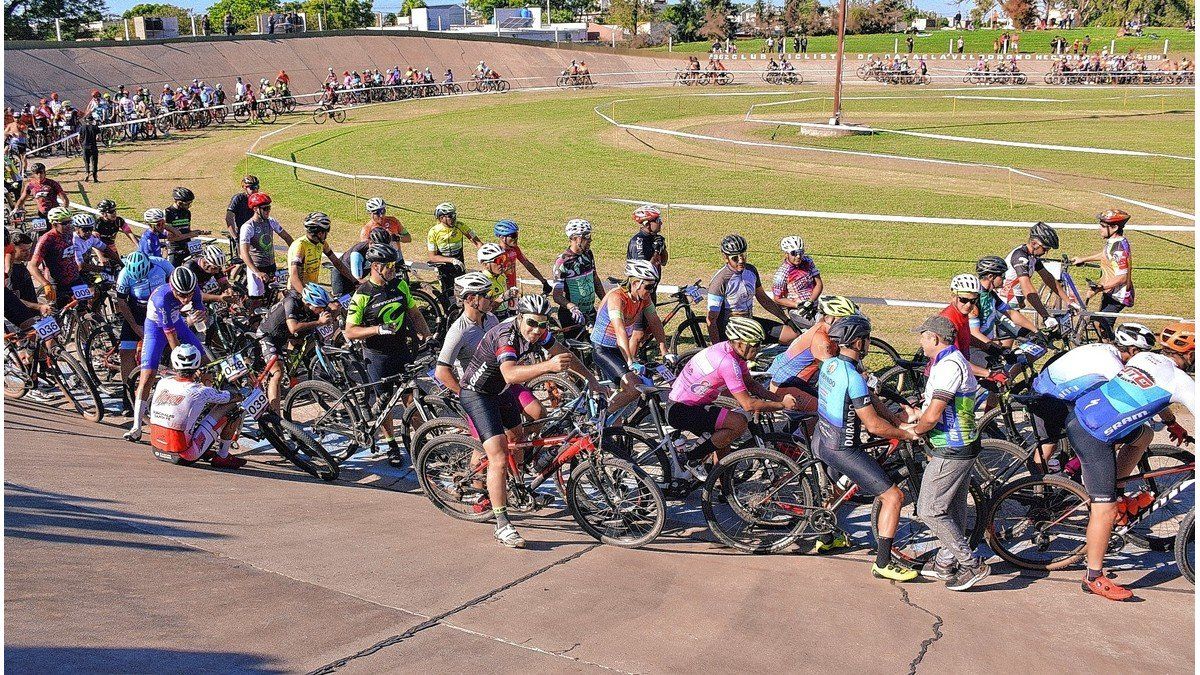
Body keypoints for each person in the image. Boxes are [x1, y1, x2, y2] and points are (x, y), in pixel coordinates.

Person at [457, 294, 606, 548]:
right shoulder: (506, 336)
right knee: (499, 457)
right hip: (477, 394)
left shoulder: (539, 333)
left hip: (501, 391)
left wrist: (592, 381)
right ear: (519, 318)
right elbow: (510, 374)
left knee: (518, 438)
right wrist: (548, 366)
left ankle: (517, 487)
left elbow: (564, 354)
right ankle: (502, 524)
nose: (537, 330)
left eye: (542, 324)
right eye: (532, 323)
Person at [1068, 322, 1194, 600]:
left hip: (1081, 414)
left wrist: (1171, 423)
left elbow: (1156, 394)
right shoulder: (1183, 382)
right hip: (1094, 434)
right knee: (1105, 509)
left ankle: (1117, 489)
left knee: (1144, 435)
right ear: (1190, 354)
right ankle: (1093, 577)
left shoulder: (1144, 357)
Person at [812, 315, 920, 581]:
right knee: (893, 497)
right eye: (867, 338)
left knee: (840, 488)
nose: (869, 342)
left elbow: (869, 398)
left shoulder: (831, 364)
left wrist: (896, 420)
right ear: (858, 342)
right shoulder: (853, 377)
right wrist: (904, 434)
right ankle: (883, 563)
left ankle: (826, 537)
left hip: (822, 439)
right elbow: (873, 426)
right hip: (842, 448)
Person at [907, 315, 990, 590]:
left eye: (923, 336)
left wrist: (917, 429)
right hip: (962, 443)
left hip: (952, 447)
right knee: (954, 507)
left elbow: (934, 414)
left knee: (929, 509)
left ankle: (971, 564)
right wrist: (919, 412)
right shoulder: (951, 360)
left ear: (934, 338)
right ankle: (945, 562)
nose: (920, 341)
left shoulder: (949, 366)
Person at [668, 317, 799, 479]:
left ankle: (720, 482)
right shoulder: (727, 362)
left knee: (725, 439)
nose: (758, 349)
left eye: (760, 344)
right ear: (739, 343)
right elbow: (748, 404)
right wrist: (781, 405)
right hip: (681, 409)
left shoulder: (734, 353)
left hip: (693, 405)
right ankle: (692, 459)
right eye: (755, 344)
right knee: (737, 423)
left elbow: (751, 384)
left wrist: (777, 398)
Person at [1025, 323, 1155, 473]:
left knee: (1049, 444)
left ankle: (1038, 485)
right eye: (1145, 353)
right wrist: (1168, 420)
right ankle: (1074, 468)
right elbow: (1136, 395)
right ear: (1133, 350)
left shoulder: (1103, 348)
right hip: (1051, 400)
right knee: (1112, 432)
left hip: (1040, 393)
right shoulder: (1112, 364)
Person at [344, 243, 432, 465]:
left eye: (394, 264)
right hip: (377, 356)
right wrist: (377, 329)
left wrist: (427, 336)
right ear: (376, 266)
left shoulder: (399, 285)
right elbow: (350, 331)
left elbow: (415, 313)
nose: (393, 268)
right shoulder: (362, 294)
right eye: (389, 265)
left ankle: (423, 443)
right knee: (385, 403)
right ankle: (391, 443)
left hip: (401, 350)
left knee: (411, 399)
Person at [124, 267, 207, 442]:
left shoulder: (193, 288)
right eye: (181, 295)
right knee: (148, 375)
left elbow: (200, 308)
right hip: (156, 328)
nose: (186, 299)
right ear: (172, 287)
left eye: (189, 294)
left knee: (205, 361)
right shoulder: (162, 298)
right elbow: (171, 336)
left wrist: (201, 313)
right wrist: (181, 363)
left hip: (176, 321)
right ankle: (136, 427)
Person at [590, 259, 673, 413]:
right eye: (648, 287)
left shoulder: (643, 298)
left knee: (639, 383)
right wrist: (630, 360)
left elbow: (654, 321)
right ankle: (601, 418)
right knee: (634, 388)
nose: (651, 291)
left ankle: (614, 418)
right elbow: (619, 330)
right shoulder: (617, 298)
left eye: (654, 286)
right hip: (603, 349)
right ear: (635, 283)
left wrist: (665, 352)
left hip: (619, 348)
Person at [147, 344, 245, 469]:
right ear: (197, 364)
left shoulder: (163, 382)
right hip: (184, 455)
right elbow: (234, 397)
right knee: (232, 407)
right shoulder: (200, 391)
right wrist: (207, 382)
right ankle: (223, 456)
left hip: (157, 448)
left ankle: (202, 446)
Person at [766, 294, 858, 411]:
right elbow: (834, 372)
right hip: (785, 384)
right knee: (830, 411)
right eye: (844, 320)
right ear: (830, 318)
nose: (849, 324)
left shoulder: (825, 328)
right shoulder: (821, 339)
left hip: (794, 381)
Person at [259, 283, 336, 413]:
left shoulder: (313, 307)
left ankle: (292, 374)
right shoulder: (291, 302)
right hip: (268, 336)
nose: (322, 310)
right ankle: (275, 416)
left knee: (305, 340)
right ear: (308, 304)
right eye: (319, 308)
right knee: (277, 373)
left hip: (286, 334)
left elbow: (333, 308)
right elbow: (293, 328)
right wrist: (319, 322)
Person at [706, 234, 791, 345]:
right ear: (725, 257)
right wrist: (717, 348)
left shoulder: (751, 270)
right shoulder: (720, 281)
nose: (741, 260)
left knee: (792, 336)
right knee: (752, 351)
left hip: (750, 322)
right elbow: (711, 320)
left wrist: (785, 319)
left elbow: (763, 298)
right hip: (732, 328)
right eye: (735, 258)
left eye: (743, 255)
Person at [1071, 209, 1134, 340]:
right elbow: (1105, 255)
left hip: (1117, 296)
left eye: (1103, 226)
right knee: (1102, 326)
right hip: (1110, 291)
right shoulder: (1114, 242)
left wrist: (1099, 288)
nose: (1100, 228)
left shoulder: (1118, 249)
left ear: (1115, 227)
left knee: (1099, 324)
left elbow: (1122, 277)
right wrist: (1083, 259)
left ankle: (1114, 347)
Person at [435, 272, 502, 395]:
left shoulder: (491, 319)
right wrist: (466, 397)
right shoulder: (459, 331)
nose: (492, 298)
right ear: (471, 299)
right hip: (476, 391)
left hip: (497, 384)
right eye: (487, 294)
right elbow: (441, 372)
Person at [1002, 222, 1072, 331]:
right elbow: (1027, 288)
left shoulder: (1032, 257)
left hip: (1014, 302)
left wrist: (1069, 301)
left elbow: (1048, 278)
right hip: (1005, 303)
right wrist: (1045, 316)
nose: (1046, 252)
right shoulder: (1020, 257)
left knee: (1029, 335)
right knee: (1024, 336)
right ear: (1034, 243)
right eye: (1045, 249)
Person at [942, 274, 1000, 380]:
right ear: (953, 296)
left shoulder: (962, 314)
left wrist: (990, 347)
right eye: (964, 300)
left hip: (960, 374)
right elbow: (956, 361)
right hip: (947, 378)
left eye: (973, 300)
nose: (968, 305)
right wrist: (988, 374)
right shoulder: (948, 322)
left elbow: (967, 337)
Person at [552, 218, 605, 336]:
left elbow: (595, 279)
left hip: (590, 311)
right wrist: (572, 308)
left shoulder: (588, 254)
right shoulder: (562, 262)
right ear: (576, 238)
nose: (590, 239)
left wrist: (606, 301)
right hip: (571, 315)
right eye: (587, 236)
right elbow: (557, 296)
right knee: (575, 346)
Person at [238, 192, 293, 302]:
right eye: (265, 208)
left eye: (269, 208)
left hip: (271, 266)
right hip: (256, 267)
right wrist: (257, 272)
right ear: (255, 209)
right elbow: (244, 253)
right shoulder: (248, 227)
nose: (268, 211)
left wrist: (297, 255)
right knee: (257, 301)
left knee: (274, 297)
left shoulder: (271, 221)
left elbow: (287, 237)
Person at [286, 211, 355, 295]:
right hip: (297, 291)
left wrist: (354, 280)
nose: (327, 235)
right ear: (320, 233)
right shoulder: (300, 246)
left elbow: (336, 262)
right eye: (326, 232)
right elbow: (294, 276)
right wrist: (306, 296)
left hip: (312, 290)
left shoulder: (322, 243)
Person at [426, 202, 481, 305]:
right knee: (449, 296)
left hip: (459, 266)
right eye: (450, 216)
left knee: (464, 293)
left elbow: (477, 242)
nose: (454, 218)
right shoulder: (433, 232)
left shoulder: (460, 226)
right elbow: (432, 256)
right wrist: (451, 260)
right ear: (441, 218)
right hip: (444, 267)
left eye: (455, 215)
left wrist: (485, 253)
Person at [27, 207, 81, 309]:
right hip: (57, 282)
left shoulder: (69, 233)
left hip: (75, 278)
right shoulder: (47, 239)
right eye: (65, 223)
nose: (69, 225)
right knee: (59, 313)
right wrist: (45, 284)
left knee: (84, 307)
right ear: (55, 224)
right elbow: (32, 266)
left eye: (70, 221)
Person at [493, 219, 551, 306]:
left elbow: (527, 264)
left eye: (517, 234)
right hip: (501, 292)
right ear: (502, 237)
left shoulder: (514, 249)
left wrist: (543, 281)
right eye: (513, 235)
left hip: (513, 291)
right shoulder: (496, 253)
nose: (516, 238)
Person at [771, 236, 822, 309]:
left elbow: (818, 284)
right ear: (786, 254)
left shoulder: (808, 261)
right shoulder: (781, 274)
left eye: (801, 252)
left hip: (813, 305)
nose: (798, 256)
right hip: (797, 309)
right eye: (794, 253)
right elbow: (777, 298)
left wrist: (810, 301)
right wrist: (798, 305)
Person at [165, 186, 208, 267]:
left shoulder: (187, 213)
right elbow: (170, 238)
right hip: (174, 250)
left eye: (190, 203)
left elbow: (186, 230)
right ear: (178, 202)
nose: (188, 206)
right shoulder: (168, 213)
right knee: (172, 271)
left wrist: (197, 232)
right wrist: (190, 235)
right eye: (186, 204)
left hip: (187, 247)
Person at [627, 205, 668, 277]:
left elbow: (664, 262)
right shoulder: (638, 242)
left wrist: (663, 249)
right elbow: (644, 272)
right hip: (640, 283)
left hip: (651, 283)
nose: (661, 223)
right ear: (647, 224)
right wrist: (656, 251)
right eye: (658, 220)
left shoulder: (655, 238)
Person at [226, 175, 260, 253]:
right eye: (252, 188)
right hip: (242, 236)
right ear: (244, 187)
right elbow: (229, 218)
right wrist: (236, 238)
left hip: (256, 234)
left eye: (257, 187)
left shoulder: (258, 199)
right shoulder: (238, 198)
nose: (255, 190)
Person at [79, 113, 100, 182]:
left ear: (86, 120)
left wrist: (81, 146)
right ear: (92, 120)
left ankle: (87, 173)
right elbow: (98, 138)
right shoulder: (95, 127)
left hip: (85, 146)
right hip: (93, 146)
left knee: (86, 161)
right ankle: (95, 177)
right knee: (94, 162)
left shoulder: (82, 127)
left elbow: (78, 138)